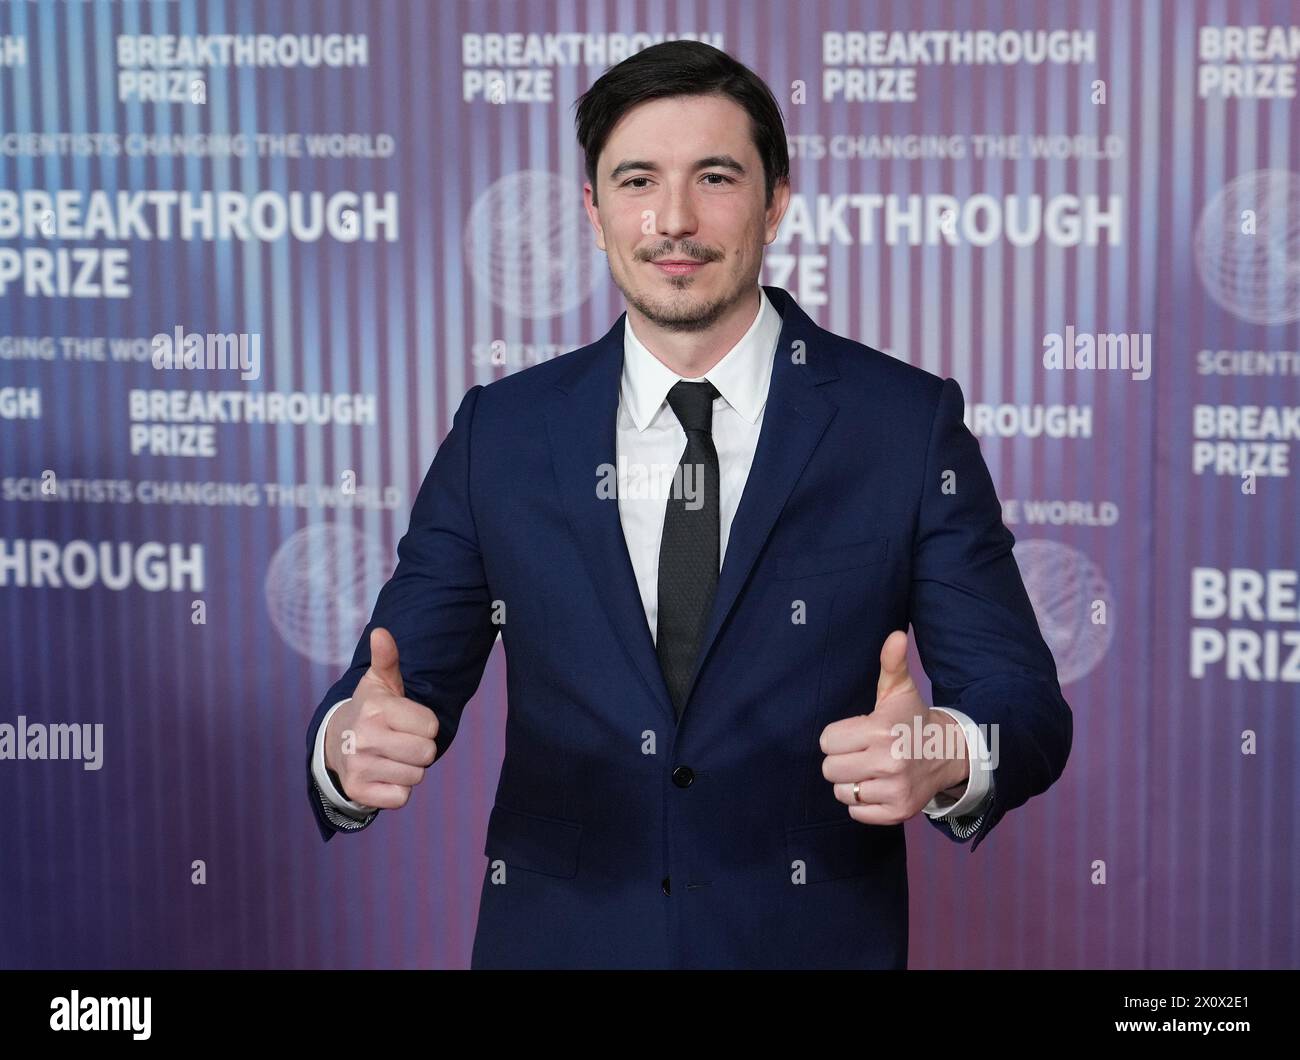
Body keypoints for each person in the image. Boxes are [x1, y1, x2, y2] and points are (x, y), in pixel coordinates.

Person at [304, 40, 1072, 969]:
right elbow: (391, 683)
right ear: (594, 212)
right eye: (637, 181)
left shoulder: (903, 426)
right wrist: (346, 745)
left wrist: (948, 749)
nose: (673, 219)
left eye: (714, 177)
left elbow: (1019, 699)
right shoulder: (498, 434)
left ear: (775, 201)